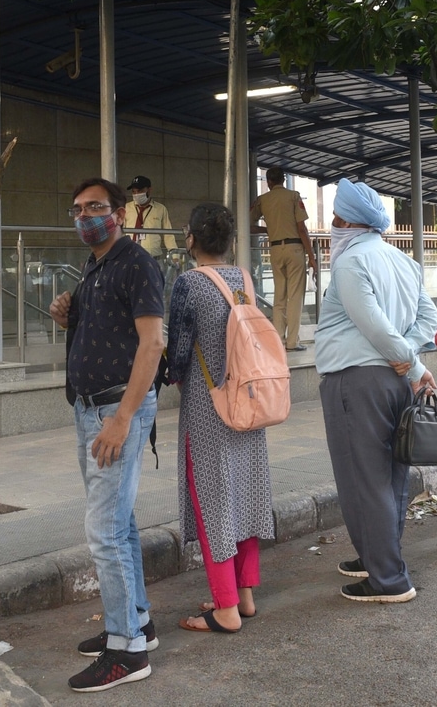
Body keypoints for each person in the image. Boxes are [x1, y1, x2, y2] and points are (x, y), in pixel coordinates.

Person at [47, 178, 165, 692]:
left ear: (119, 212)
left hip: (117, 410)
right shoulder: (97, 265)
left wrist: (122, 419)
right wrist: (67, 317)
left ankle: (126, 650)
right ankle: (137, 620)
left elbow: (152, 343)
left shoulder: (136, 263)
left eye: (95, 207)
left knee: (105, 531)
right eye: (77, 208)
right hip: (90, 408)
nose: (84, 216)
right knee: (122, 522)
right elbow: (106, 330)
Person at [315, 179, 437, 603]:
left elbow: (373, 325)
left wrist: (411, 361)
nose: (331, 225)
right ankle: (379, 556)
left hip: (356, 380)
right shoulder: (402, 260)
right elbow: (428, 316)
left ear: (346, 221)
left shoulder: (350, 263)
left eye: (333, 217)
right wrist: (411, 361)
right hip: (393, 381)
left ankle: (388, 578)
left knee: (363, 479)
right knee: (390, 476)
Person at [166, 204, 277, 634]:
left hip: (208, 406)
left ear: (191, 239)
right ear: (230, 242)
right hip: (247, 405)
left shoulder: (189, 284)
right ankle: (244, 594)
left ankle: (226, 608)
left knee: (212, 498)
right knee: (243, 494)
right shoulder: (244, 279)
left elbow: (177, 359)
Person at [250, 167, 316, 351]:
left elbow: (248, 225)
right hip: (294, 249)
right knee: (295, 296)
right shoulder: (294, 196)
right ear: (284, 180)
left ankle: (278, 339)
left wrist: (268, 230)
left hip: (275, 249)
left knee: (279, 296)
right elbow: (301, 228)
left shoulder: (262, 200)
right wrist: (311, 256)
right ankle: (293, 341)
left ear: (268, 182)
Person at [125, 175, 177, 259]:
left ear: (149, 190)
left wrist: (175, 255)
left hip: (153, 257)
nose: (136, 194)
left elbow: (168, 234)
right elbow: (120, 233)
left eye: (140, 191)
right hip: (130, 256)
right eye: (134, 192)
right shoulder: (126, 208)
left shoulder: (160, 209)